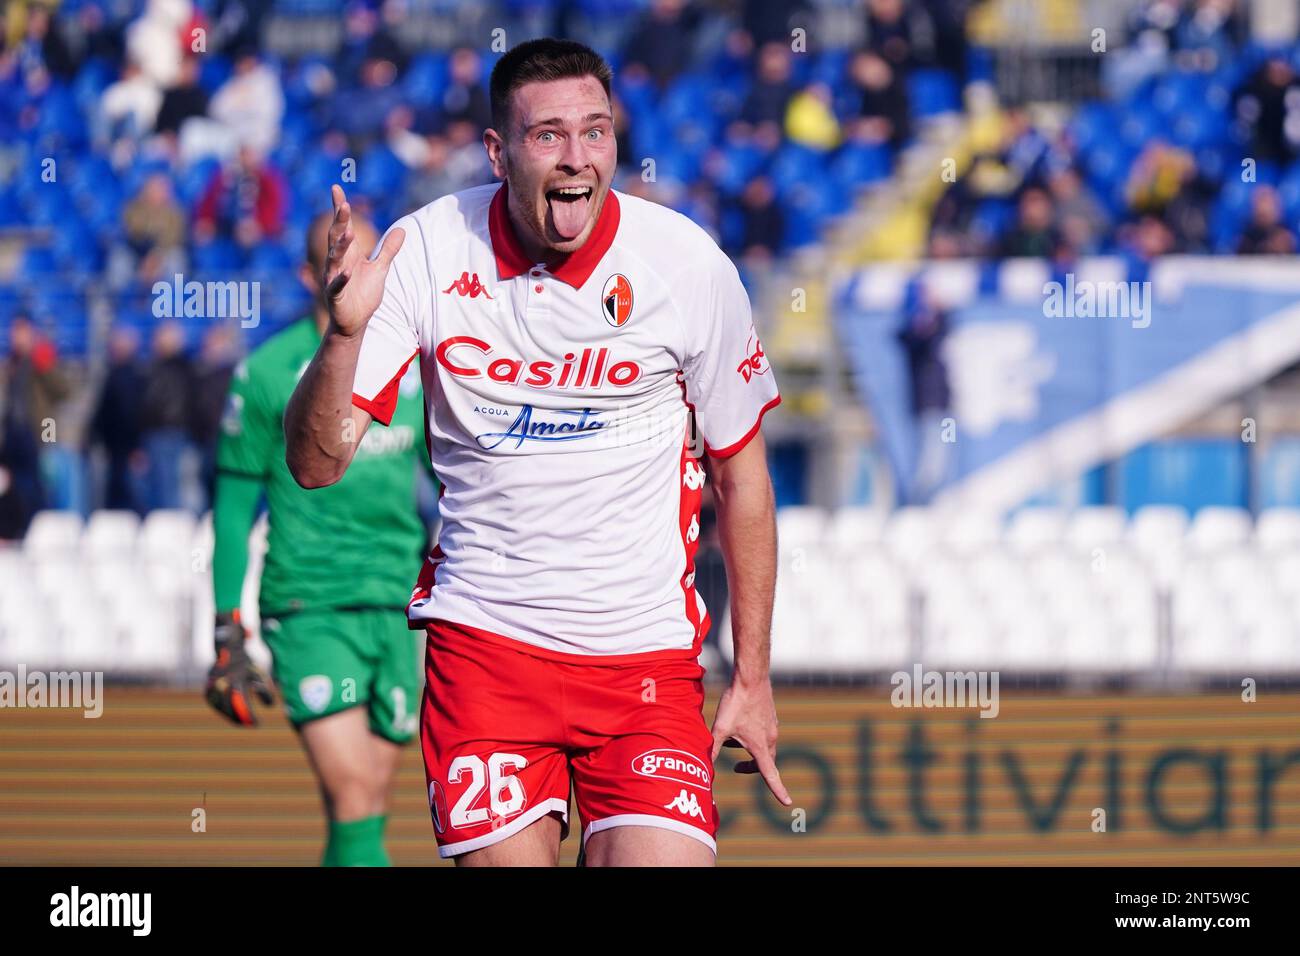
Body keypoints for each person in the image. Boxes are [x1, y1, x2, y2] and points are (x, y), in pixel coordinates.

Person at [284, 38, 789, 867]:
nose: (578, 157)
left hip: (645, 663)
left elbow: (744, 476)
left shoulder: (687, 265)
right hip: (487, 653)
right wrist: (343, 340)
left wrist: (755, 675)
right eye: (548, 135)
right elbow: (316, 462)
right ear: (498, 151)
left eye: (596, 132)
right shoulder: (428, 250)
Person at [205, 211, 435, 867]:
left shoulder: (411, 370)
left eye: (367, 262)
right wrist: (228, 627)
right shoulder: (268, 373)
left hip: (398, 609)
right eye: (341, 263)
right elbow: (230, 511)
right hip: (309, 604)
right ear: (312, 275)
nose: (357, 276)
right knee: (356, 795)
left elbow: (453, 485)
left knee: (364, 809)